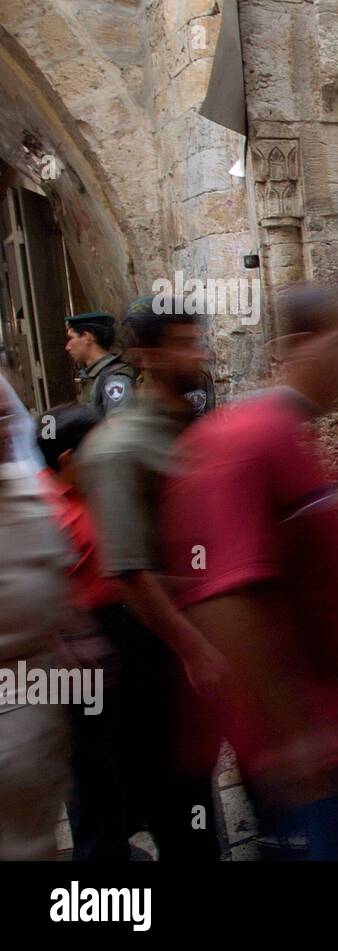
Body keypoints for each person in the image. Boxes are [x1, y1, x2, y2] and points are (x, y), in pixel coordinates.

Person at [158, 284, 338, 861]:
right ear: (299, 345)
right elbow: (225, 599)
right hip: (320, 741)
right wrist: (294, 734)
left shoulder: (291, 435)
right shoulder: (247, 440)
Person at [78, 305, 226, 861]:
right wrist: (194, 648)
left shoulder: (195, 428)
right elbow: (131, 573)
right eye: (187, 343)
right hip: (156, 650)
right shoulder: (119, 447)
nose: (201, 354)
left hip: (206, 635)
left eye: (199, 341)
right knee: (179, 804)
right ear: (147, 357)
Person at [34, 403, 133, 860]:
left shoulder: (81, 492)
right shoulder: (49, 517)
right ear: (69, 459)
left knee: (107, 756)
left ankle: (113, 844)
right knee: (89, 763)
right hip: (76, 653)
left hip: (104, 637)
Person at [0, 375, 72, 860]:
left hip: (36, 707)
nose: (7, 428)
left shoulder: (20, 486)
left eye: (6, 416)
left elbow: (54, 569)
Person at [66, 311, 137, 418]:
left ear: (86, 337)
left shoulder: (115, 379)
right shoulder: (93, 375)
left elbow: (120, 428)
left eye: (71, 338)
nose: (67, 347)